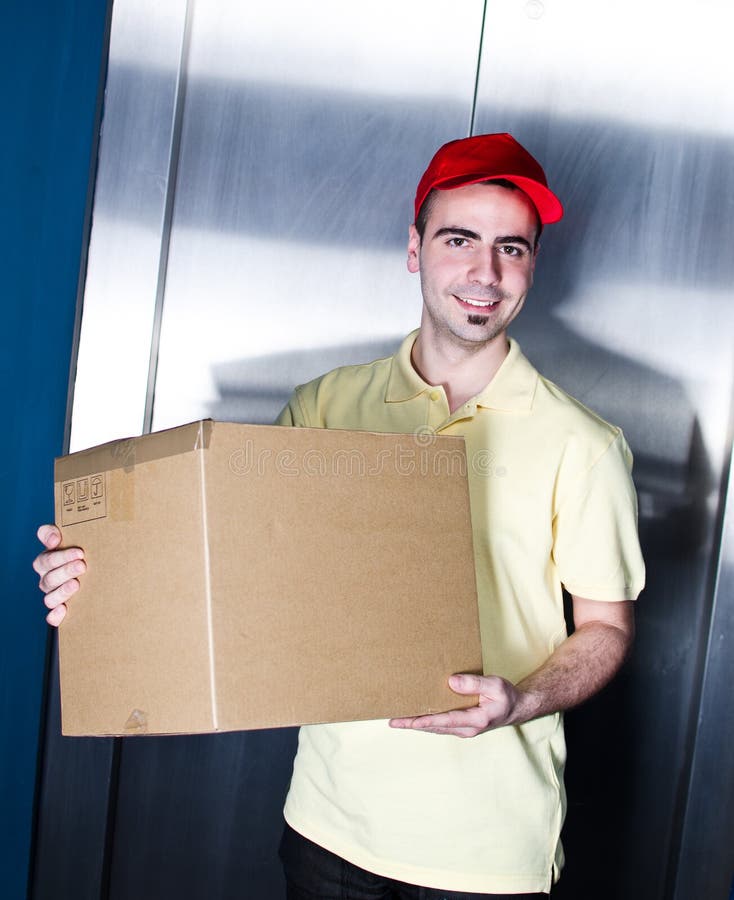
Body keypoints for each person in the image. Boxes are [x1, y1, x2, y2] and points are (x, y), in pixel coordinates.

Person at [34, 133, 645, 899]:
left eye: (511, 248)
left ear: (531, 266)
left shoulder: (583, 444)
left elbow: (606, 629)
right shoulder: (326, 405)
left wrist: (523, 701)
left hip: (487, 850)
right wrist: (100, 578)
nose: (485, 273)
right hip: (328, 827)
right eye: (459, 240)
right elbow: (237, 571)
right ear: (415, 250)